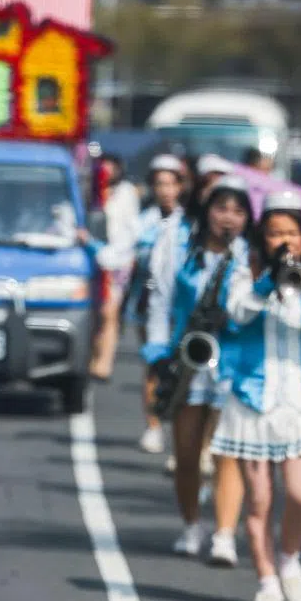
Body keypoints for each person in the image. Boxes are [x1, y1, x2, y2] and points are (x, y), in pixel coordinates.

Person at [210, 190, 301, 601]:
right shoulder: (242, 275)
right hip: (253, 401)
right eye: (275, 233)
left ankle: (289, 558)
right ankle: (267, 579)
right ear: (262, 238)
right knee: (260, 501)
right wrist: (268, 281)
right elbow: (236, 314)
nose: (284, 240)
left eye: (292, 232)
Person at [144, 175, 251, 556]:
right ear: (206, 212)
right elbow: (160, 301)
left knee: (227, 451)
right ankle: (192, 525)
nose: (229, 217)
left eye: (238, 210)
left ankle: (224, 535)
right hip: (188, 361)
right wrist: (156, 351)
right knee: (187, 453)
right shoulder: (180, 248)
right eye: (221, 208)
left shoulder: (249, 257)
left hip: (233, 364)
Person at [132, 154, 186, 454]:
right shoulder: (143, 221)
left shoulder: (191, 222)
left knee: (182, 370)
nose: (165, 190)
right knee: (154, 365)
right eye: (159, 183)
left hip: (182, 306)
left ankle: (182, 435)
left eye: (171, 183)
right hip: (148, 304)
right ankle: (153, 426)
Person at [88, 154, 141, 381]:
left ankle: (105, 362)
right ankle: (92, 354)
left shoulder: (126, 193)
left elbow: (131, 229)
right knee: (94, 312)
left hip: (118, 260)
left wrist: (125, 254)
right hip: (91, 258)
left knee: (109, 312)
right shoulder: (89, 192)